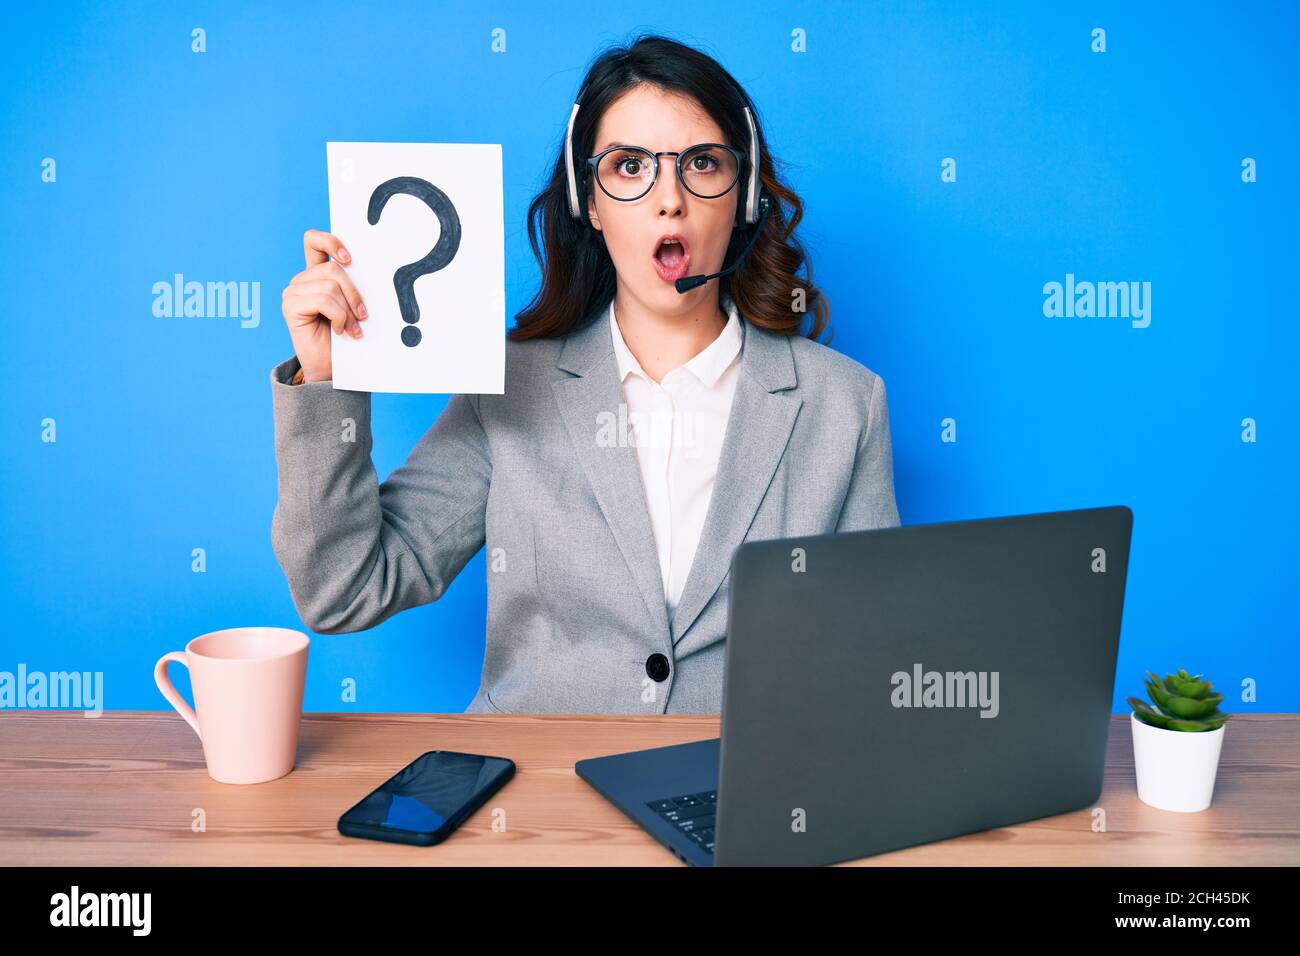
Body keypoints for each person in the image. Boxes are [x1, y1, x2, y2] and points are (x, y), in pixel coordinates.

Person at [270, 34, 900, 714]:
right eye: (631, 167)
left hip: (743, 800)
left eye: (703, 164)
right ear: (590, 203)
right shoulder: (507, 389)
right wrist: (328, 379)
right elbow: (345, 589)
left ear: (743, 195)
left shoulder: (845, 404)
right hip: (540, 802)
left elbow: (871, 651)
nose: (670, 200)